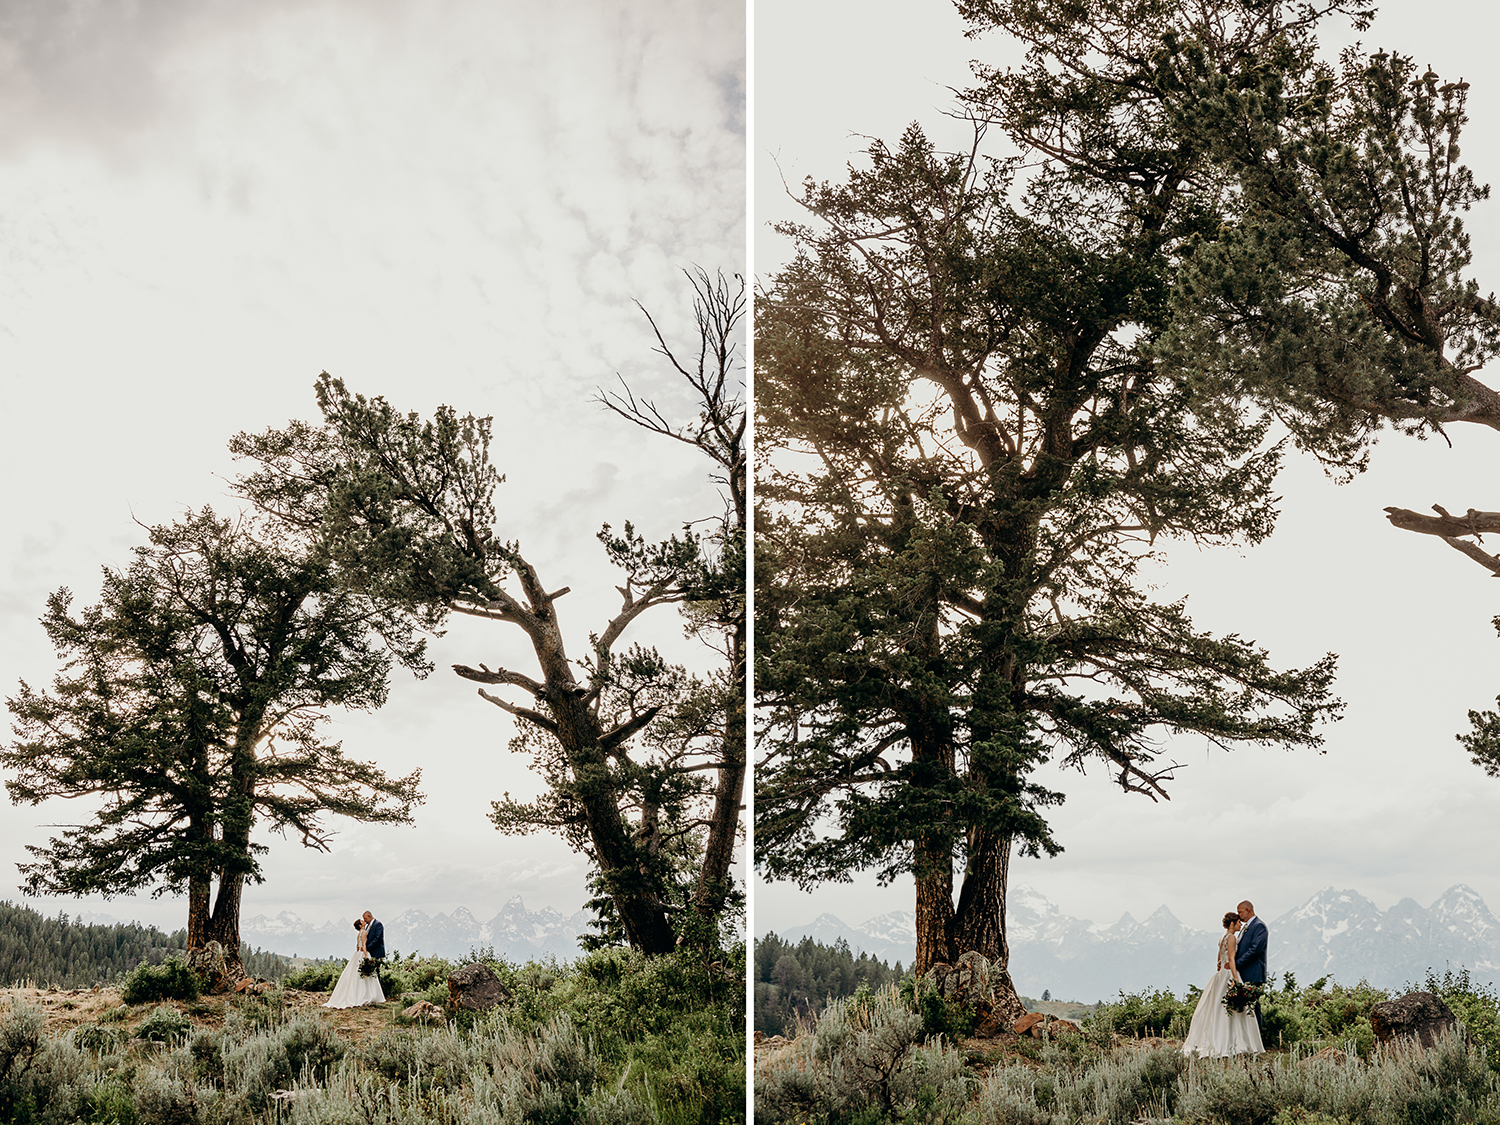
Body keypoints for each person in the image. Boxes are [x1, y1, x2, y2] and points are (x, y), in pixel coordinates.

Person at [1180, 910, 1265, 1058]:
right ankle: (1231, 1041)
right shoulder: (1231, 937)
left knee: (1218, 1008)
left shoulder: (1222, 937)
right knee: (1231, 1009)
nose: (1240, 924)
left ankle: (1222, 1038)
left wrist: (1221, 966)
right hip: (1230, 974)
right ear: (1232, 923)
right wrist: (1235, 979)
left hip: (1220, 976)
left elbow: (1219, 959)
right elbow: (1231, 960)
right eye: (1238, 922)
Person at [323, 918, 386, 1009]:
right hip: (362, 953)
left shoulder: (359, 933)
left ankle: (359, 994)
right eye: (362, 921)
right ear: (360, 925)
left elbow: (357, 946)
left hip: (357, 954)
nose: (364, 921)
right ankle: (365, 995)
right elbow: (363, 945)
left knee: (356, 975)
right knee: (365, 976)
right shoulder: (363, 932)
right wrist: (366, 957)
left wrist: (359, 952)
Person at [1234, 899, 1268, 1040]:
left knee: (1253, 1008)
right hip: (1244, 973)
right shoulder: (1246, 927)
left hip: (1253, 973)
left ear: (1247, 910)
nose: (1239, 915)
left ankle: (1257, 1040)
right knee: (1245, 1007)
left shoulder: (1260, 926)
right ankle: (1246, 1039)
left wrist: (1236, 964)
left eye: (1240, 912)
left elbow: (1255, 950)